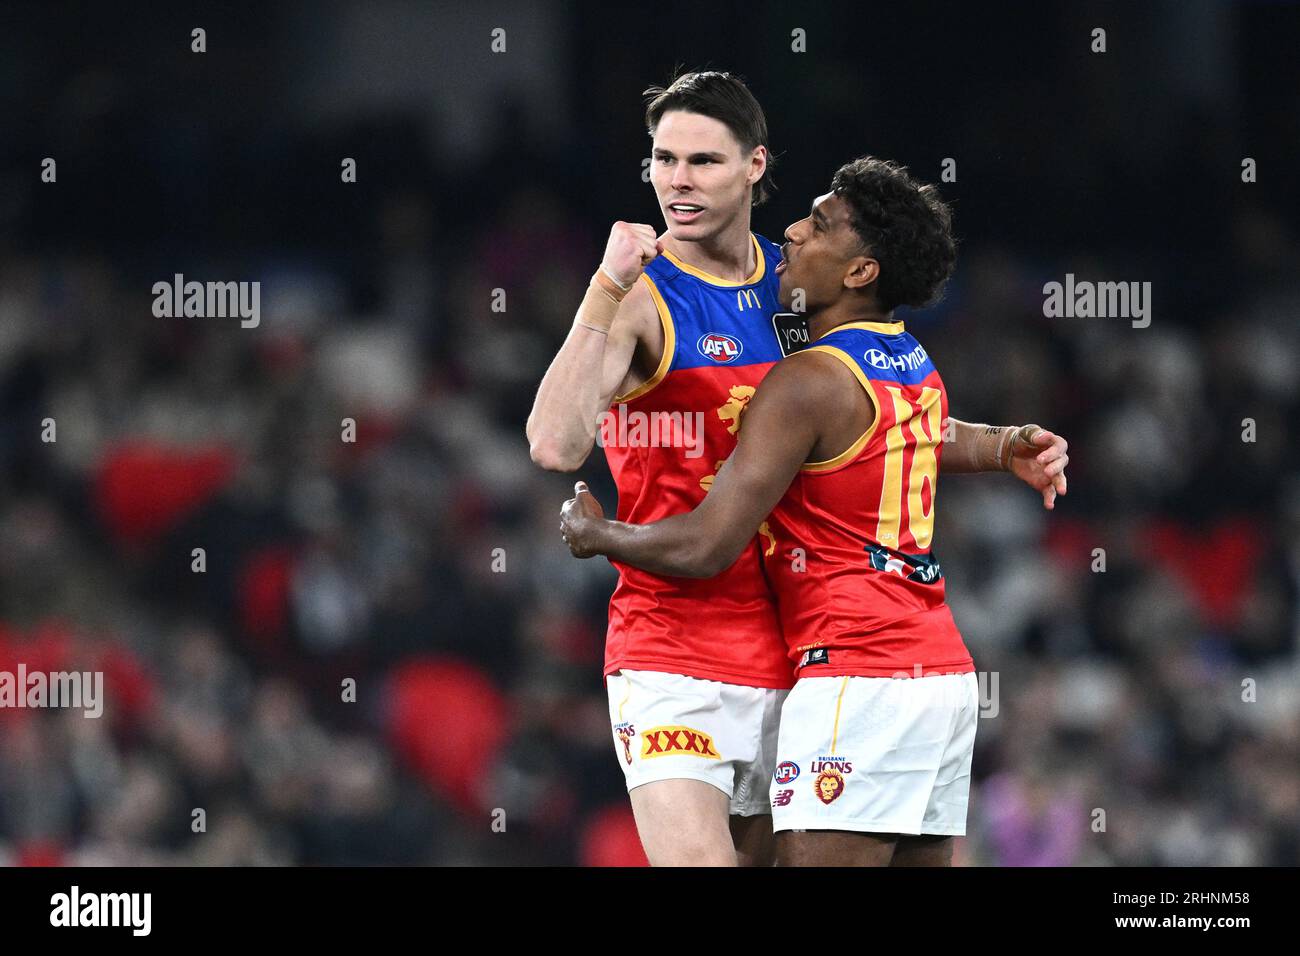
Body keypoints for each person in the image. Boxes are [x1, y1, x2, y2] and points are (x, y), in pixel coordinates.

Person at [529, 73, 1067, 866]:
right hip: (671, 643)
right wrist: (605, 284)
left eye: (703, 160)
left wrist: (997, 443)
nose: (678, 179)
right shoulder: (643, 291)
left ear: (754, 165)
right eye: (663, 158)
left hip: (797, 652)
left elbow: (872, 418)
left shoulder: (803, 279)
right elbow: (553, 443)